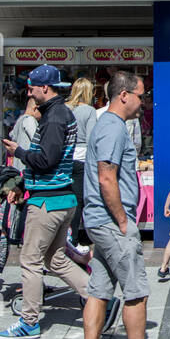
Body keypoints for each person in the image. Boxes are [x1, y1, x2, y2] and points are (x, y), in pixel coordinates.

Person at [78, 70, 170, 339]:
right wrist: (123, 220)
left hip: (99, 220)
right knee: (137, 292)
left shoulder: (110, 125)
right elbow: (107, 175)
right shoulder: (113, 127)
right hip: (110, 222)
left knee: (99, 291)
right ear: (124, 95)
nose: (143, 101)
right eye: (140, 95)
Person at [0, 64, 88, 339]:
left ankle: (29, 322)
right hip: (60, 198)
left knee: (30, 261)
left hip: (47, 202)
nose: (29, 91)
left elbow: (46, 161)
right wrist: (22, 183)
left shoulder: (54, 118)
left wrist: (19, 151)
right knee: (56, 259)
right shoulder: (57, 114)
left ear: (44, 88)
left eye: (32, 86)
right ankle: (98, 298)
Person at [66, 76, 98, 247]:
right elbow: (92, 137)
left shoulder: (64, 108)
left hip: (65, 156)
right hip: (82, 157)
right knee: (79, 200)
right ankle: (75, 238)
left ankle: (64, 234)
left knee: (66, 197)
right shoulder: (89, 111)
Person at [7, 97, 40, 165]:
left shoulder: (19, 121)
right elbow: (38, 143)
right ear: (35, 108)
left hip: (18, 166)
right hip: (26, 166)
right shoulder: (30, 120)